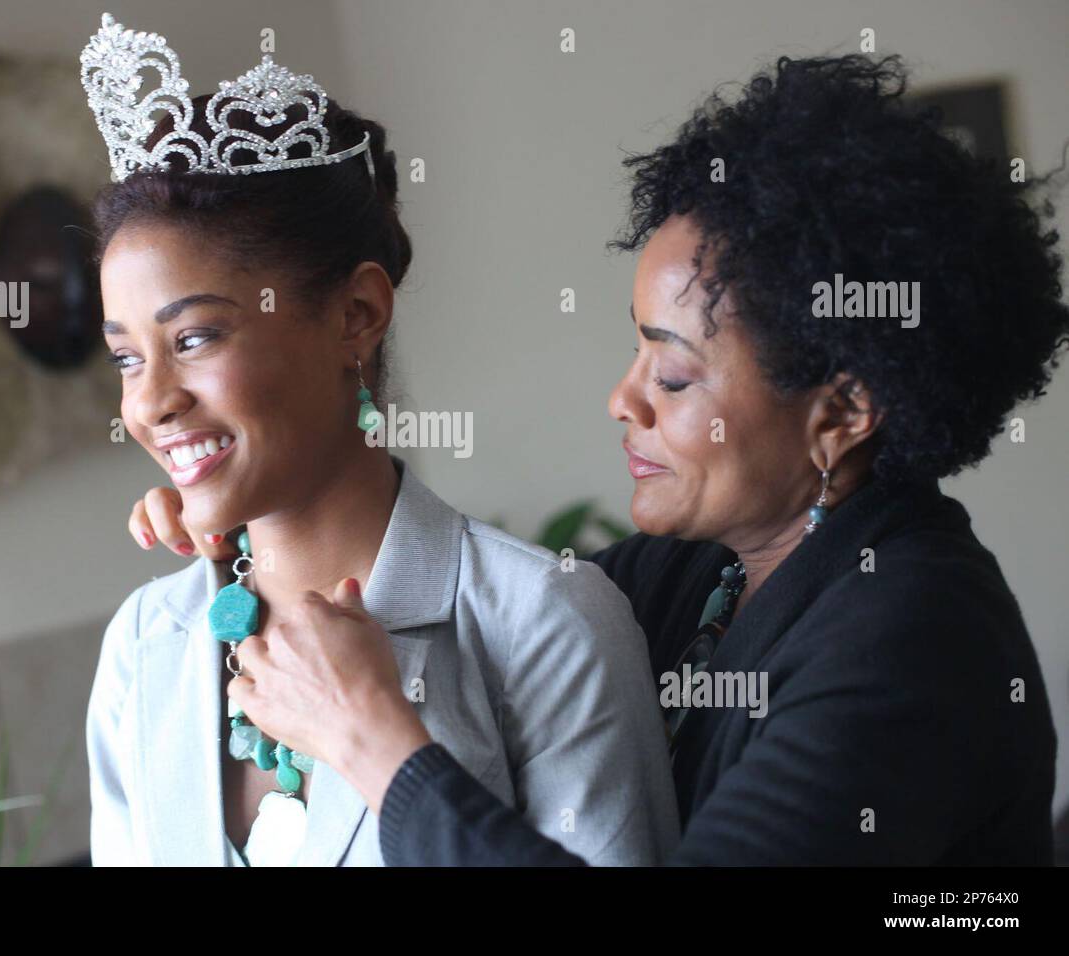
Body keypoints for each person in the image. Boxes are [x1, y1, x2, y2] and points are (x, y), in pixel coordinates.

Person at [134, 54, 1066, 865]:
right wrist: (242, 513)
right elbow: (489, 609)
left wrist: (375, 741)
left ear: (844, 410)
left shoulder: (916, 637)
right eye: (633, 354)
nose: (622, 401)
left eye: (673, 375)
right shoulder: (701, 569)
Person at [82, 14, 679, 866]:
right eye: (126, 357)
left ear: (355, 315)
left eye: (196, 339)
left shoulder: (544, 623)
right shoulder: (145, 645)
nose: (152, 403)